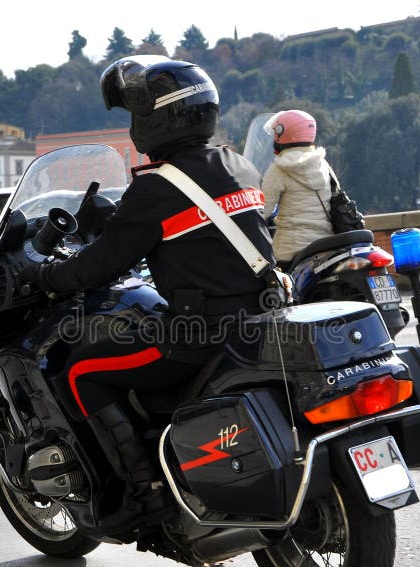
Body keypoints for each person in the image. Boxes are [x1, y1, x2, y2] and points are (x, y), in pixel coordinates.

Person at [21, 55, 275, 531]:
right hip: (262, 320)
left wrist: (46, 278)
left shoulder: (157, 188)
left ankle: (142, 491)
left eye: (138, 115)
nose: (136, 126)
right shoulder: (238, 166)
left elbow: (99, 267)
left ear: (158, 119)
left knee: (79, 373)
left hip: (199, 337)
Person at [260, 109, 337, 266]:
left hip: (290, 250)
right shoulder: (323, 164)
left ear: (282, 134)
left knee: (269, 283)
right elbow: (337, 197)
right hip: (327, 245)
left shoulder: (279, 168)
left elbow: (263, 210)